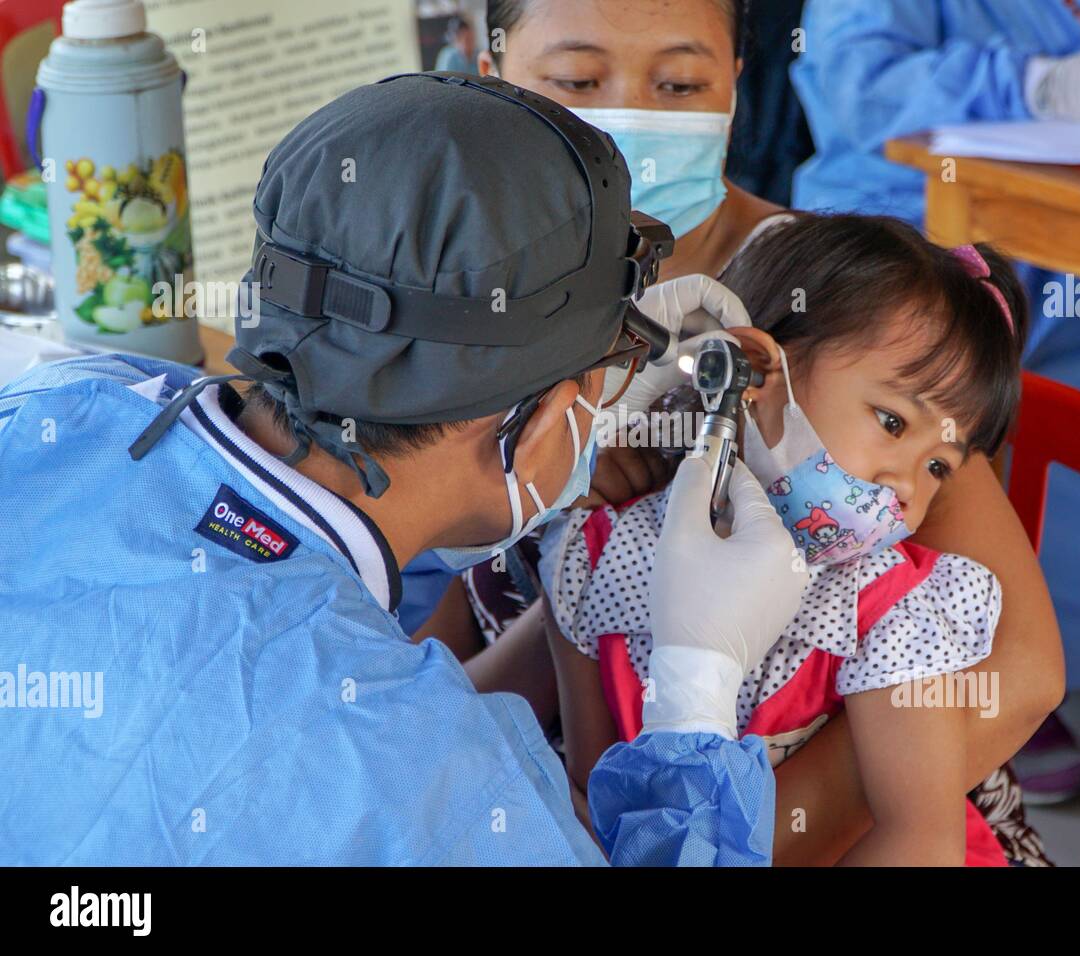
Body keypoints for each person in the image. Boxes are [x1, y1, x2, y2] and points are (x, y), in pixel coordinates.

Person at [0, 74, 810, 865]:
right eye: (604, 382)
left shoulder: (63, 408)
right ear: (534, 432)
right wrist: (695, 693)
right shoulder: (431, 776)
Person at [421, 0, 1064, 865]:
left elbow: (1021, 675)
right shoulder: (470, 305)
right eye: (576, 80)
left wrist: (713, 842)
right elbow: (478, 604)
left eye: (680, 82)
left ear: (736, 87)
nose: (628, 116)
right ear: (488, 84)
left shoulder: (838, 315)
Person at [790, 0, 1080, 800]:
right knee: (949, 430)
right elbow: (857, 85)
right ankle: (985, 662)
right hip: (921, 227)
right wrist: (1031, 83)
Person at [543, 214, 1047, 865]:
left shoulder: (891, 608)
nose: (907, 488)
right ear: (753, 368)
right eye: (893, 421)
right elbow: (599, 797)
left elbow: (921, 839)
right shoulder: (595, 559)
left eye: (938, 468)